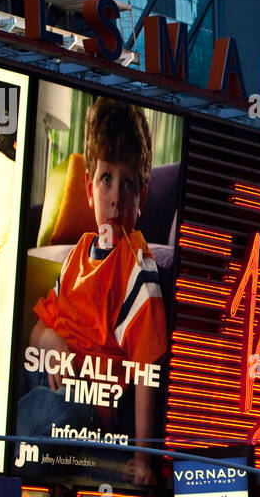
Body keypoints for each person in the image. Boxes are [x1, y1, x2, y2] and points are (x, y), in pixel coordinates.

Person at [18, 98, 168, 460]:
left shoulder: (136, 267)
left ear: (142, 197)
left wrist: (142, 458)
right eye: (106, 179)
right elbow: (38, 330)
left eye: (129, 184)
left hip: (85, 408)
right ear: (88, 188)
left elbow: (148, 370)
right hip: (46, 375)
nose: (116, 198)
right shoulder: (77, 255)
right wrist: (52, 341)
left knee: (46, 415)